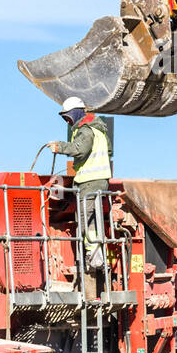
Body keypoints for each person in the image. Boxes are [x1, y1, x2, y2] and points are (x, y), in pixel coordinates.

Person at [48, 95, 112, 271]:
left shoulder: (86, 129)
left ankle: (95, 257)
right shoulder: (98, 129)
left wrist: (59, 147)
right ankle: (96, 254)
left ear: (75, 113)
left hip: (89, 182)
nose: (67, 121)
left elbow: (79, 150)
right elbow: (108, 151)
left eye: (67, 117)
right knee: (93, 217)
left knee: (87, 219)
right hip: (100, 180)